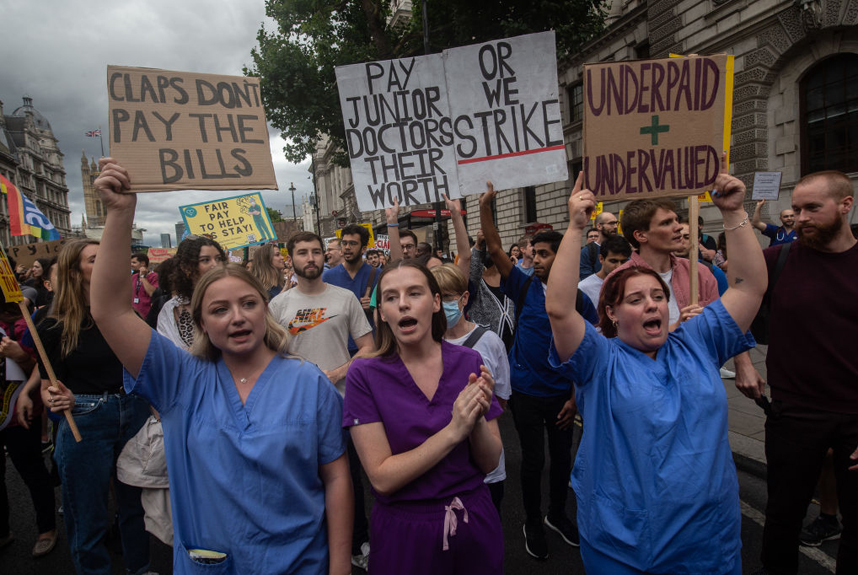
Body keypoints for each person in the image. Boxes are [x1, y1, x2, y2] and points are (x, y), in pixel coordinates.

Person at [89, 158, 353, 575]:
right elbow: (109, 310)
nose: (236, 317)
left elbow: (336, 479)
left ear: (265, 310)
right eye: (219, 309)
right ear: (201, 323)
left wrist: (340, 568)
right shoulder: (178, 380)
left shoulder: (308, 381)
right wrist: (121, 213)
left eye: (248, 303)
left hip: (301, 563)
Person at [546, 160, 766, 574]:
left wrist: (735, 212)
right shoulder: (599, 360)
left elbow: (749, 286)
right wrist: (576, 228)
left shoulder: (699, 341)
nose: (651, 303)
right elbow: (558, 309)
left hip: (707, 541)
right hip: (625, 545)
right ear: (610, 313)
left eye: (658, 296)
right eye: (635, 299)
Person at [344, 259, 503, 574]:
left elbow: (489, 462)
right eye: (390, 297)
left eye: (414, 293)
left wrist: (476, 426)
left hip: (473, 521)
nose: (402, 304)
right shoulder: (364, 374)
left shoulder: (470, 361)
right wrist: (454, 430)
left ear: (435, 303)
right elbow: (382, 477)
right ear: (382, 313)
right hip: (405, 533)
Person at [735, 170, 857, 575]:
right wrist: (743, 361)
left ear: (845, 205)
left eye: (812, 208)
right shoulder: (778, 260)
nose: (801, 217)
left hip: (855, 418)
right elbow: (732, 310)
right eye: (798, 208)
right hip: (792, 415)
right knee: (783, 518)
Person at [481, 182, 599, 560]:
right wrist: (486, 207)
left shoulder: (580, 300)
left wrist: (575, 396)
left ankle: (556, 514)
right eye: (537, 254)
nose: (541, 259)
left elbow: (590, 351)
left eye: (547, 253)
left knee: (563, 459)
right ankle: (532, 519)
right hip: (528, 393)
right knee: (534, 460)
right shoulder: (524, 285)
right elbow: (496, 247)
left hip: (563, 397)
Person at [36, 238, 153, 575]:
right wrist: (55, 399)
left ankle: (140, 568)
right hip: (85, 420)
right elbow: (47, 388)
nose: (104, 264)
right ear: (75, 272)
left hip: (133, 413)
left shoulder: (126, 315)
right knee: (88, 514)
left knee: (135, 508)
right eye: (93, 260)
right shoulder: (54, 326)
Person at [432, 263, 510, 515]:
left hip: (486, 471)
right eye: (436, 297)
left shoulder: (490, 342)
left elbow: (501, 401)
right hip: (444, 465)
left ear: (464, 298)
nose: (441, 305)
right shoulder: (424, 346)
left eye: (447, 297)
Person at [0, 295, 57, 558]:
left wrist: (20, 356)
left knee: (31, 470)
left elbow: (44, 366)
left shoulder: (25, 324)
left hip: (19, 411)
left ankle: (47, 528)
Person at [157, 235, 225, 349]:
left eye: (218, 258)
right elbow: (167, 353)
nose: (215, 265)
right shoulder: (171, 310)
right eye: (205, 260)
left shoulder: (236, 299)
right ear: (186, 267)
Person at [323, 224, 380, 353]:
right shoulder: (328, 277)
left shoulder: (379, 275)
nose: (347, 247)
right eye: (344, 243)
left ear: (363, 249)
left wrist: (373, 306)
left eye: (353, 243)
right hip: (338, 347)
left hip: (370, 346)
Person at [469, 230, 516, 351]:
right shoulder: (477, 282)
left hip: (513, 348)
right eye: (486, 245)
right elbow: (473, 271)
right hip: (487, 350)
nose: (489, 249)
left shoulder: (509, 277)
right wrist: (478, 246)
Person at [577, 235, 631, 306]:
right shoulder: (583, 288)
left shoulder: (632, 283)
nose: (619, 267)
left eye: (623, 262)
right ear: (601, 259)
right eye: (613, 261)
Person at [579, 211, 618, 279]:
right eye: (611, 223)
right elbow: (586, 281)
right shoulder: (587, 252)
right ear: (599, 226)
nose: (615, 226)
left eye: (616, 223)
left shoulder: (621, 247)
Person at [131, 252, 159, 319]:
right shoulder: (134, 277)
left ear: (143, 263)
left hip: (148, 315)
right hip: (135, 316)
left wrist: (143, 277)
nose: (131, 264)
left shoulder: (154, 276)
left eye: (134, 262)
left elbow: (152, 293)